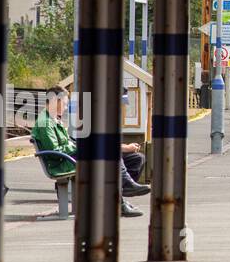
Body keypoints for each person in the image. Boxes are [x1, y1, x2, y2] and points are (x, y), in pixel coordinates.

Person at [32, 87, 148, 218]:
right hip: (62, 162)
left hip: (68, 158)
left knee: (133, 158)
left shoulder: (52, 120)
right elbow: (54, 151)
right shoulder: (45, 123)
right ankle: (120, 198)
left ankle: (123, 191)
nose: (65, 107)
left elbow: (66, 144)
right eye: (64, 103)